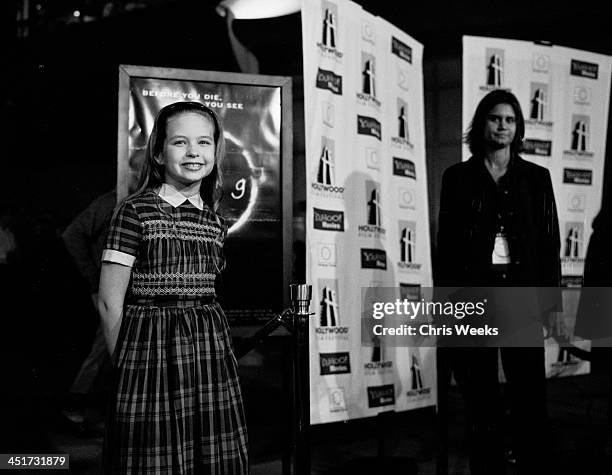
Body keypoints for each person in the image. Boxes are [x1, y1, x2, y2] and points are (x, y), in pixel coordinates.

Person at [99, 102, 248, 473]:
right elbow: (108, 303)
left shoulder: (214, 221)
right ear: (159, 151)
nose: (194, 152)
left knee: (209, 449)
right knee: (156, 453)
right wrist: (127, 365)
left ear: (215, 151)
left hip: (208, 347)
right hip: (150, 346)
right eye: (180, 142)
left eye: (204, 142)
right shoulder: (134, 211)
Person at [436, 90, 561, 474]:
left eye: (510, 120)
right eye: (495, 119)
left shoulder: (536, 179)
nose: (503, 126)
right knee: (480, 396)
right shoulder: (457, 178)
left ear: (518, 127)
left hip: (522, 293)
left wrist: (550, 304)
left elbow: (549, 244)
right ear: (482, 124)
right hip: (476, 294)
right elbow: (448, 249)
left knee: (528, 393)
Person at [61, 190, 116, 427]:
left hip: (126, 289)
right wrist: (94, 281)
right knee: (104, 346)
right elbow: (72, 234)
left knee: (107, 348)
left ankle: (80, 405)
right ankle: (75, 405)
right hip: (112, 288)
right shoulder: (112, 200)